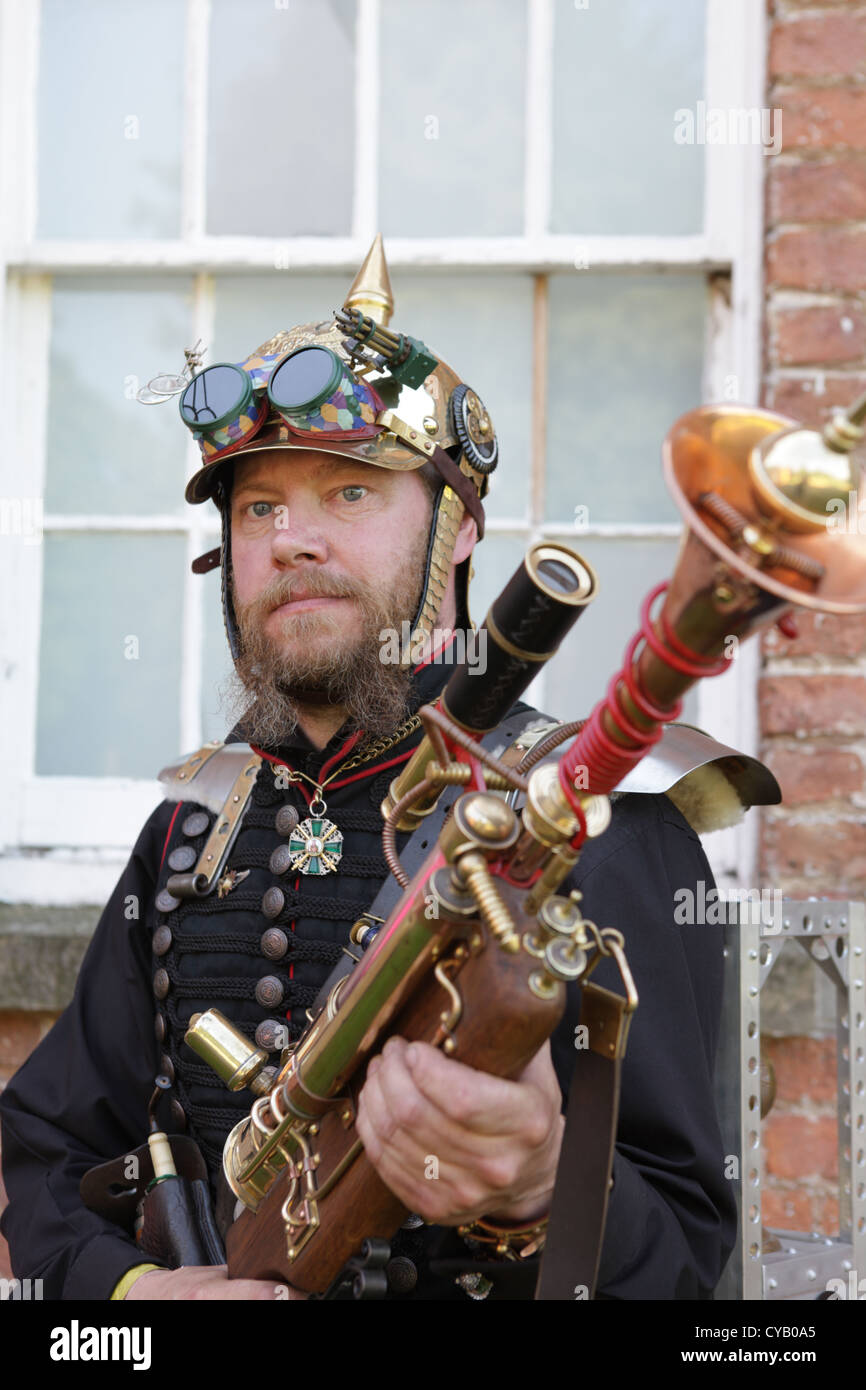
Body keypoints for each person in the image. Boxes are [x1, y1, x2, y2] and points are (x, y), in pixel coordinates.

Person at [0, 237, 745, 1301]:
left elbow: (680, 1255)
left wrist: (539, 1183)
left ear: (455, 534)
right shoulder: (189, 831)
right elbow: (43, 1147)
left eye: (348, 494)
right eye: (257, 507)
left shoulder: (595, 813)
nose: (290, 537)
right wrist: (128, 1300)